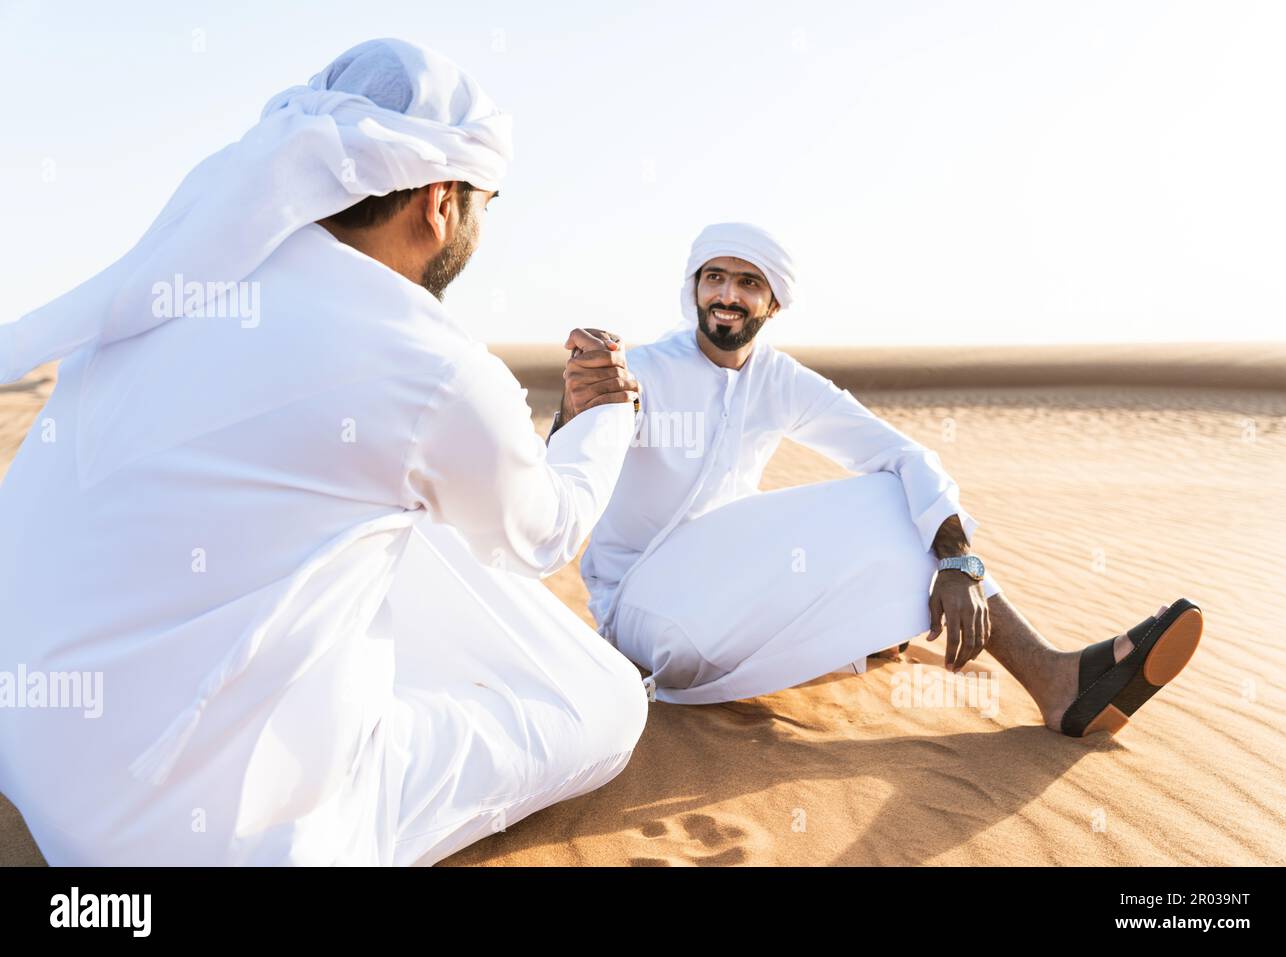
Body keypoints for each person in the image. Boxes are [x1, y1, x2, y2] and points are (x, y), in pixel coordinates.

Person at [0, 38, 647, 866]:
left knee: (387, 499)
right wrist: (602, 419)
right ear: (443, 202)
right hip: (189, 834)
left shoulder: (180, 281)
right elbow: (542, 538)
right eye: (489, 200)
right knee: (604, 706)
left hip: (37, 755)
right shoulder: (428, 363)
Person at [579, 222, 1204, 736]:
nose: (727, 295)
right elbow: (582, 441)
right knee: (887, 506)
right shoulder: (642, 371)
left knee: (903, 496)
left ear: (774, 303)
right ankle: (1051, 675)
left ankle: (1050, 676)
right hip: (640, 610)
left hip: (722, 610)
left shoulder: (778, 379)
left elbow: (904, 455)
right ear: (694, 289)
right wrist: (581, 406)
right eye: (714, 277)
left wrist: (961, 564)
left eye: (748, 282)